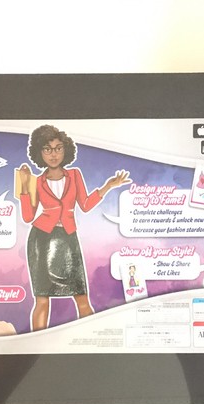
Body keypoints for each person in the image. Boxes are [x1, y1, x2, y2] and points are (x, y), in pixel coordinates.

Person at [17, 124, 131, 331]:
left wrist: (108, 186)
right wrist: (25, 186)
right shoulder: (36, 181)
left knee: (81, 297)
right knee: (42, 300)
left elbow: (85, 205)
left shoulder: (75, 175)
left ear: (66, 150)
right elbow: (28, 216)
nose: (53, 154)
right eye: (47, 149)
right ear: (39, 152)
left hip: (68, 238)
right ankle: (36, 342)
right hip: (41, 241)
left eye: (58, 148)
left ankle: (90, 338)